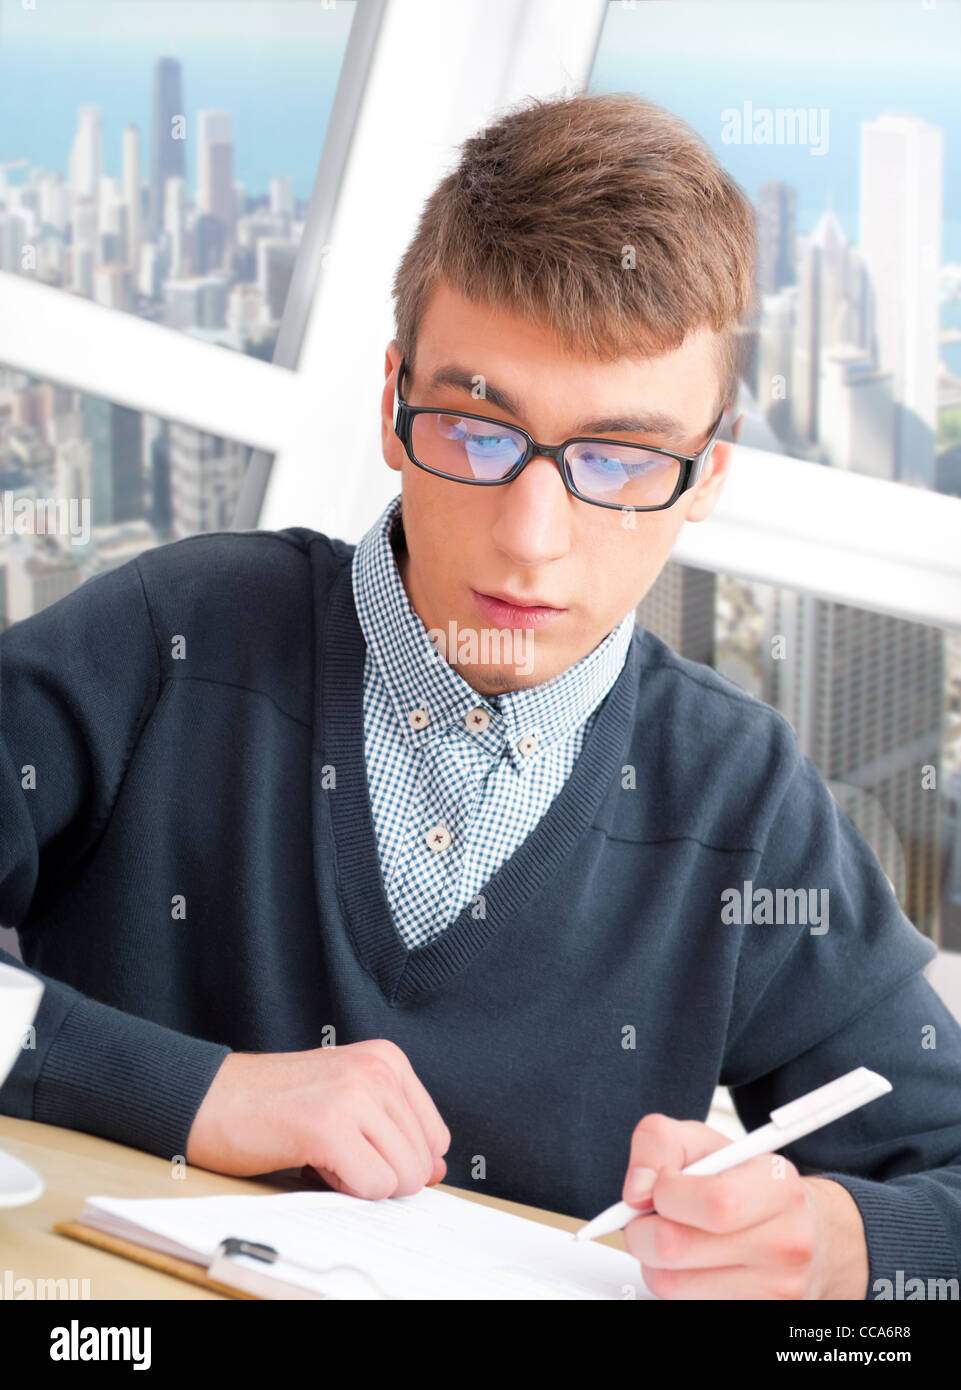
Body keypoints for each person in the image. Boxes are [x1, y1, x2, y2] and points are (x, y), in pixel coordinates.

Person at [2, 92, 960, 1302]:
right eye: (476, 428)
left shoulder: (745, 805)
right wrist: (189, 1091)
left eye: (621, 460)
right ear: (396, 403)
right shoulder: (172, 640)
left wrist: (832, 1245)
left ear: (706, 477)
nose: (532, 537)